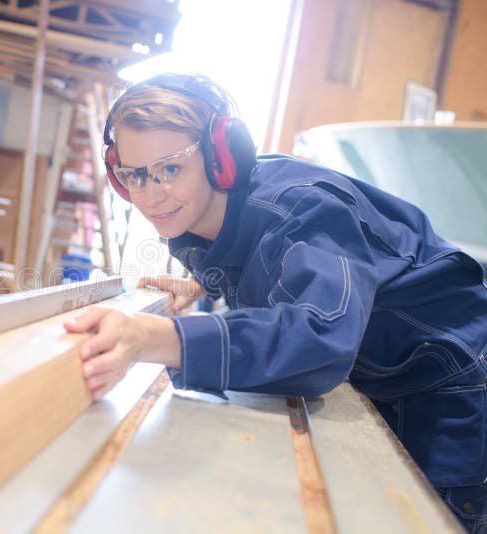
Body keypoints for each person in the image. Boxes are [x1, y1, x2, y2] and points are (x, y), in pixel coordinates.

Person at [63, 73, 487, 532]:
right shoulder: (194, 220)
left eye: (170, 169)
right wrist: (199, 287)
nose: (151, 195)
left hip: (449, 389)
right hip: (386, 373)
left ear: (222, 157)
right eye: (135, 175)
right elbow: (265, 265)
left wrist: (159, 338)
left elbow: (321, 337)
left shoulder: (305, 211)